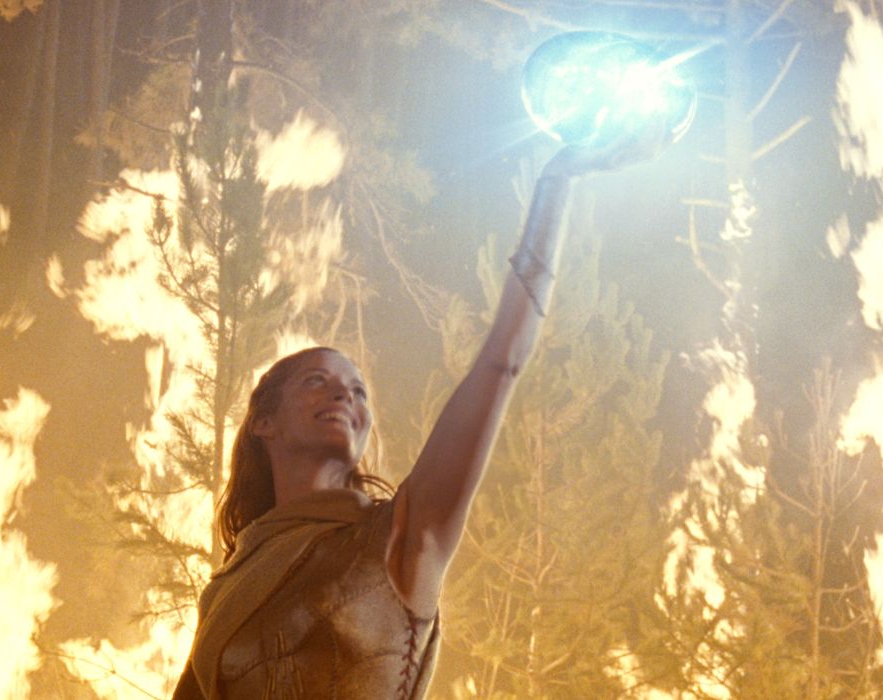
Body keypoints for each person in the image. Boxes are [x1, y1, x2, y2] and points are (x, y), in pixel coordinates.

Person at [172, 129, 671, 699]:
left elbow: (500, 364)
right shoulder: (228, 586)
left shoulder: (400, 536)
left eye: (358, 392)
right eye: (317, 381)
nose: (345, 397)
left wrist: (555, 183)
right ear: (264, 422)